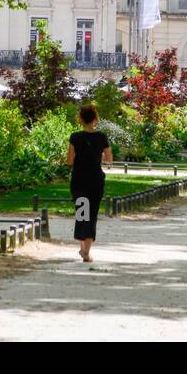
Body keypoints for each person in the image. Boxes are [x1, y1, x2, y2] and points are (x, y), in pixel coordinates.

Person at [66, 103, 112, 263]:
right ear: (95, 119)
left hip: (79, 180)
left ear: (80, 119)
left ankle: (82, 249)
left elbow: (70, 161)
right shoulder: (102, 137)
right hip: (95, 180)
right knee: (92, 215)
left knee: (82, 213)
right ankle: (86, 251)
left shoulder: (75, 137)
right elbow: (109, 159)